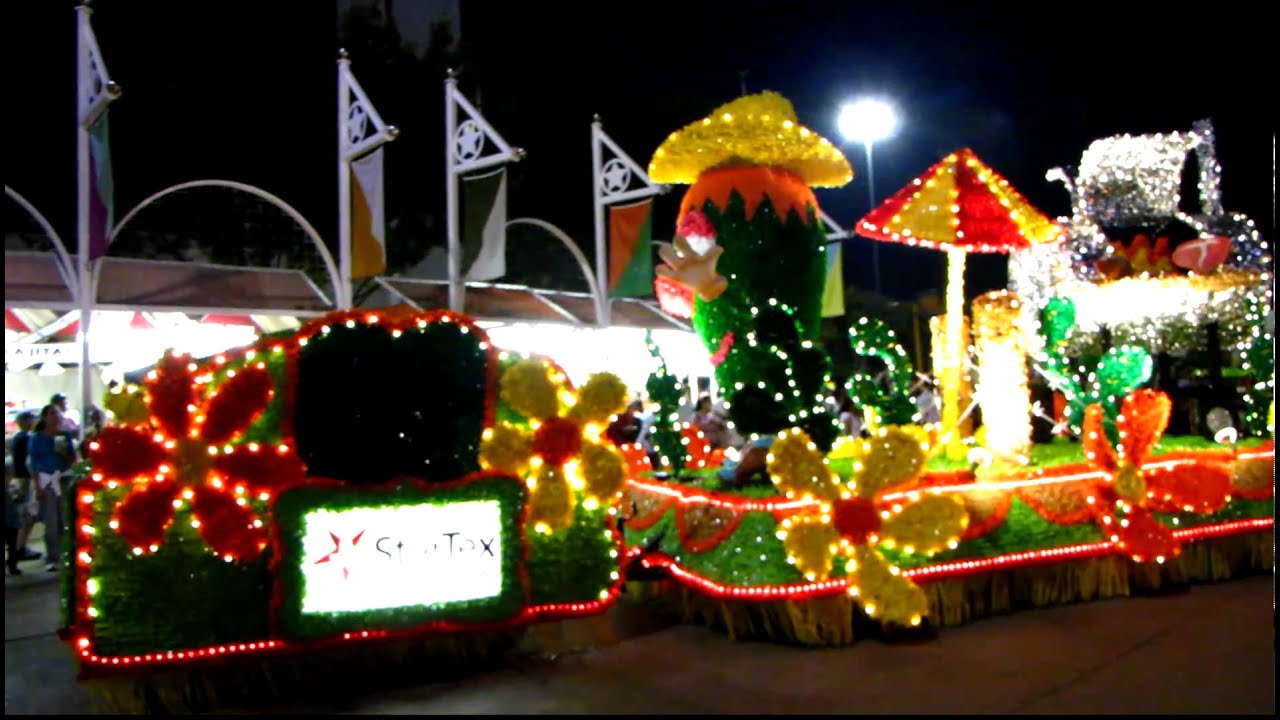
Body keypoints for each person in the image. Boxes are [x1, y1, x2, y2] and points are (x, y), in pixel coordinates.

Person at [28, 404, 78, 572]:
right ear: (44, 417)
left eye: (57, 413)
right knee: (51, 520)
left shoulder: (64, 436)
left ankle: (65, 553)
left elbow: (72, 459)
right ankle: (52, 556)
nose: (55, 416)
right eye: (51, 413)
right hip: (46, 480)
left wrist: (66, 452)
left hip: (63, 478)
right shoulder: (37, 438)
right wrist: (37, 485)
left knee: (64, 519)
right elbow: (34, 462)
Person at [9, 411, 41, 564]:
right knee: (27, 516)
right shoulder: (27, 438)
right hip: (26, 480)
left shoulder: (18, 438)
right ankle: (20, 547)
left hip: (21, 479)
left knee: (25, 516)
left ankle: (20, 547)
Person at [6, 459, 21, 575]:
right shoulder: (11, 488)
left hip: (12, 522)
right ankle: (12, 566)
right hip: (11, 521)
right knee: (12, 545)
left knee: (12, 545)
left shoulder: (11, 488)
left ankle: (13, 565)